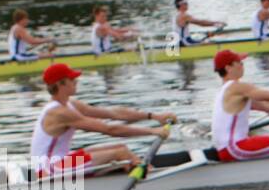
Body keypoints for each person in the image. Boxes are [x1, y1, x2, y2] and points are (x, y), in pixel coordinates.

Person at [30, 63, 173, 178]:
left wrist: (153, 116)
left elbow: (114, 114)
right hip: (48, 171)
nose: (76, 81)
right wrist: (153, 131)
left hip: (60, 161)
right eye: (72, 79)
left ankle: (142, 172)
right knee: (120, 153)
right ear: (60, 84)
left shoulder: (70, 104)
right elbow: (110, 130)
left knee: (119, 148)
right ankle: (156, 179)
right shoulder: (59, 112)